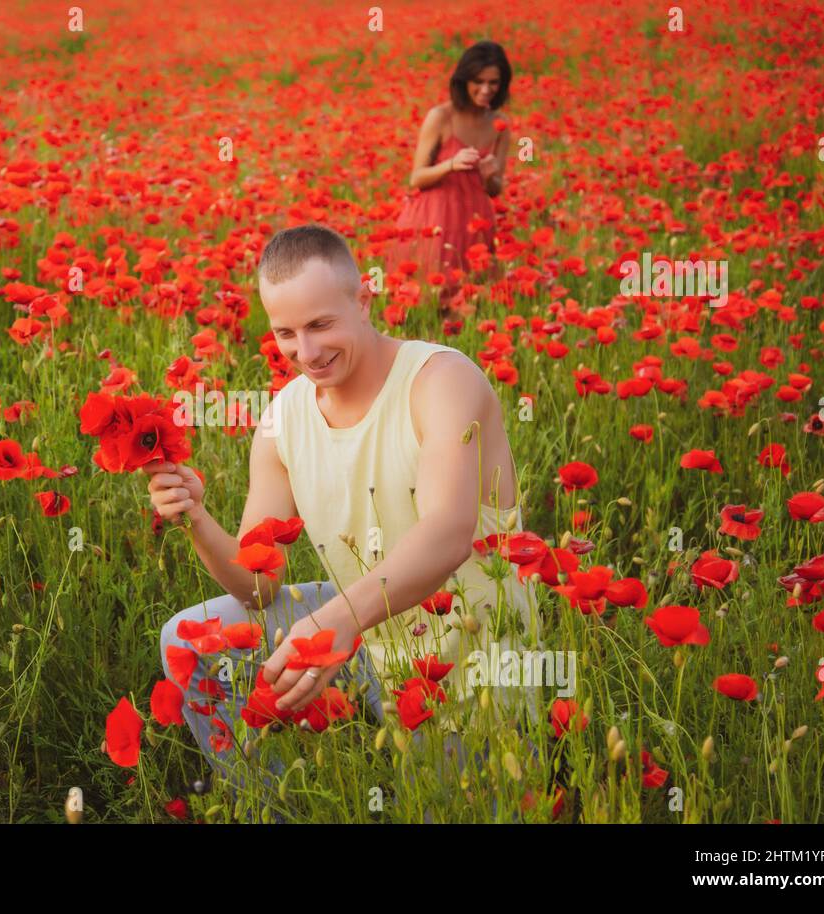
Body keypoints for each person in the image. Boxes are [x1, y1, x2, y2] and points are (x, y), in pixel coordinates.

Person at [149, 225, 542, 811]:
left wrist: (335, 623)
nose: (306, 353)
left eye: (320, 324)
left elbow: (448, 532)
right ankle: (273, 809)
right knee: (188, 637)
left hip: (469, 661)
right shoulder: (282, 421)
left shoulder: (441, 382)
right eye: (286, 333)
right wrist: (195, 518)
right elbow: (258, 584)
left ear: (364, 301)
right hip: (361, 635)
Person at [383, 40, 512, 309]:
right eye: (479, 81)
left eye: (494, 83)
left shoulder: (500, 124)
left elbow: (495, 189)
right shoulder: (440, 117)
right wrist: (451, 164)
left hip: (475, 222)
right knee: (430, 302)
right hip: (435, 220)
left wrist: (489, 176)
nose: (486, 89)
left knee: (469, 303)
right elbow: (417, 178)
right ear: (464, 80)